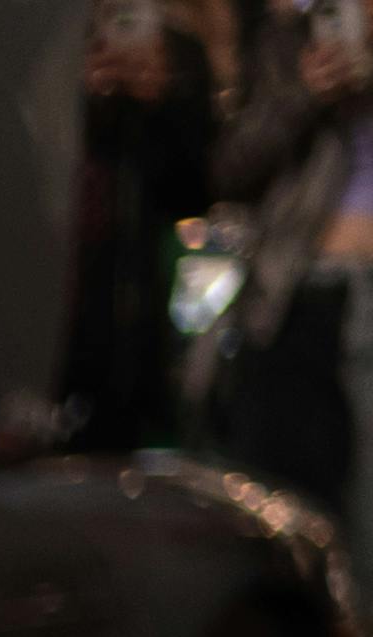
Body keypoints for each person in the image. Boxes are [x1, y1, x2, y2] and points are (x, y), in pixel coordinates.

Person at [215, 0, 373, 637]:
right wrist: (303, 92)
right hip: (292, 296)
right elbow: (226, 171)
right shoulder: (277, 36)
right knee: (288, 534)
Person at [65, 0, 230, 451]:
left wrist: (161, 101)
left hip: (129, 323)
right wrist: (75, 96)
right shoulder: (47, 46)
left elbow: (197, 191)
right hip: (41, 311)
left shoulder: (178, 52)